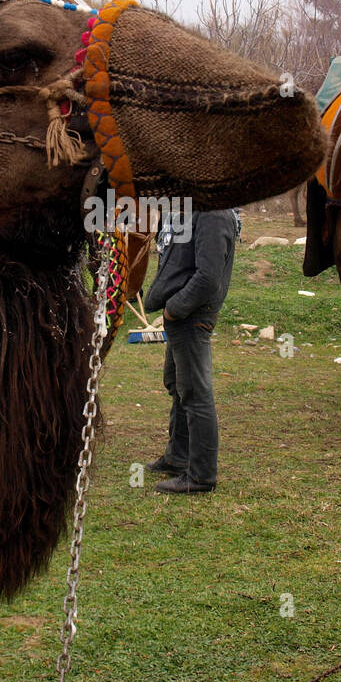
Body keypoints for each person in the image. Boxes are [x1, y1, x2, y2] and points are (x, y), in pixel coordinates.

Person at [142, 206, 239, 494]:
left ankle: (201, 476)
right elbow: (176, 257)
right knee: (177, 385)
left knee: (196, 392)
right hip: (182, 314)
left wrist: (174, 308)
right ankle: (178, 457)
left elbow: (208, 277)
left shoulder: (214, 213)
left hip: (191, 315)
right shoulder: (193, 208)